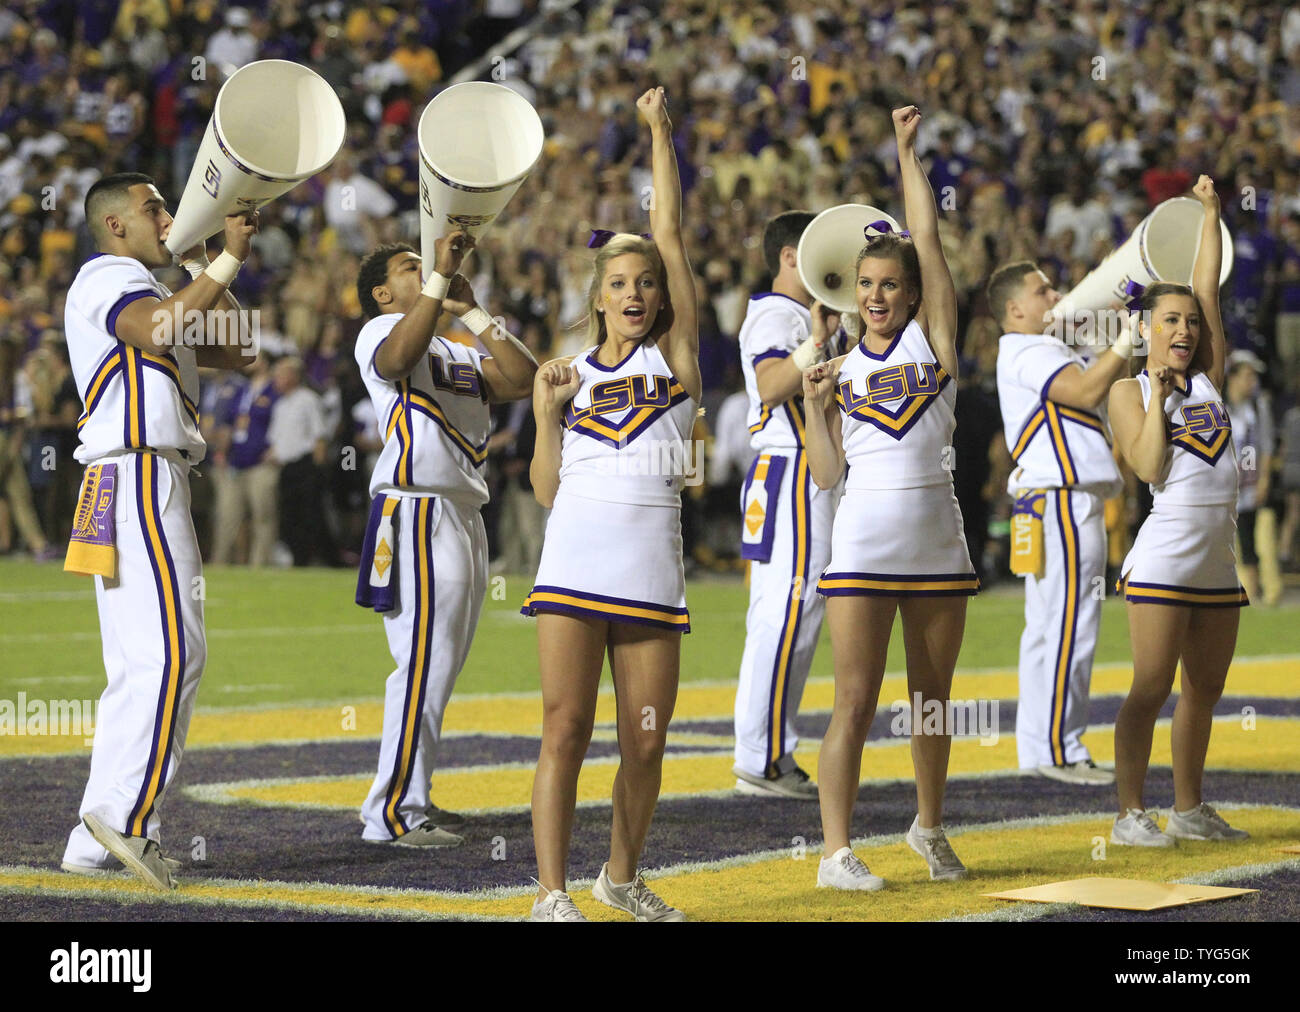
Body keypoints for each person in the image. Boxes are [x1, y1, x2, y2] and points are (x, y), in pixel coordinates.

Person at [521, 87, 698, 921]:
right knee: (564, 730)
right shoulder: (567, 374)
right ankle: (552, 894)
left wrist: (659, 135)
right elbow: (546, 491)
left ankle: (618, 878)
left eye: (647, 285)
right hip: (574, 561)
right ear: (599, 296)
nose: (634, 293)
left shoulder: (679, 363)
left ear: (662, 298)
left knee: (647, 737)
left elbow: (668, 232)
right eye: (619, 283)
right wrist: (543, 415)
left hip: (651, 570)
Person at [60, 171, 258, 889]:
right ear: (115, 225)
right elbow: (160, 330)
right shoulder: (108, 276)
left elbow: (242, 348)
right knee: (175, 653)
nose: (168, 218)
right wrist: (227, 259)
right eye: (154, 209)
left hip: (128, 475)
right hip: (139, 471)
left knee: (140, 662)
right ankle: (129, 817)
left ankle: (94, 834)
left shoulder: (153, 292)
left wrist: (208, 263)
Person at [801, 105, 977, 890]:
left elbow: (927, 238)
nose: (876, 296)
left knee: (932, 702)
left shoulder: (933, 341)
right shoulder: (834, 369)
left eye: (889, 285)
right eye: (866, 285)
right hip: (864, 543)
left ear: (910, 294)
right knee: (854, 701)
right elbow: (828, 476)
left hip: (939, 539)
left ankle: (929, 827)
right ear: (853, 292)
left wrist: (907, 153)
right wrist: (811, 407)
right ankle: (836, 850)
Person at [353, 234, 537, 848]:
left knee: (440, 666)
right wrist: (438, 287)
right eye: (410, 268)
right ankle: (393, 811)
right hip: (417, 509)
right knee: (422, 663)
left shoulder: (454, 345)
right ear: (384, 293)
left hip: (461, 512)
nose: (426, 271)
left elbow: (524, 379)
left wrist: (474, 308)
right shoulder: (379, 331)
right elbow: (397, 362)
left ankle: (415, 794)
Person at [1107, 174, 1250, 846]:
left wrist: (1211, 215)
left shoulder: (1210, 379)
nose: (1187, 329)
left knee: (1205, 691)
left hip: (1219, 559)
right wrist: (1161, 398)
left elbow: (1207, 284)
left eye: (1192, 322)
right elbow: (1144, 465)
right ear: (1148, 329)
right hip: (1165, 556)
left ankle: (1188, 808)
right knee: (1150, 686)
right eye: (1173, 320)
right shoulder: (1128, 392)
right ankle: (1130, 810)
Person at [988, 256, 1135, 785]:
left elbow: (1115, 372)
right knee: (1071, 625)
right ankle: (1058, 748)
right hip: (1060, 500)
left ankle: (1041, 745)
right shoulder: (1029, 347)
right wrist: (1123, 336)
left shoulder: (1043, 347)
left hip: (1048, 500)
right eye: (1041, 291)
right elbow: (1085, 391)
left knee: (1049, 625)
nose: (1054, 296)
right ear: (1014, 309)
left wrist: (1116, 326)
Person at [731, 209, 844, 800]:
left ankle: (767, 749)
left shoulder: (807, 315)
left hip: (799, 469)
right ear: (788, 257)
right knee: (790, 608)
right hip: (792, 468)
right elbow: (773, 384)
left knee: (794, 608)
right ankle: (763, 757)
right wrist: (819, 344)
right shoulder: (780, 313)